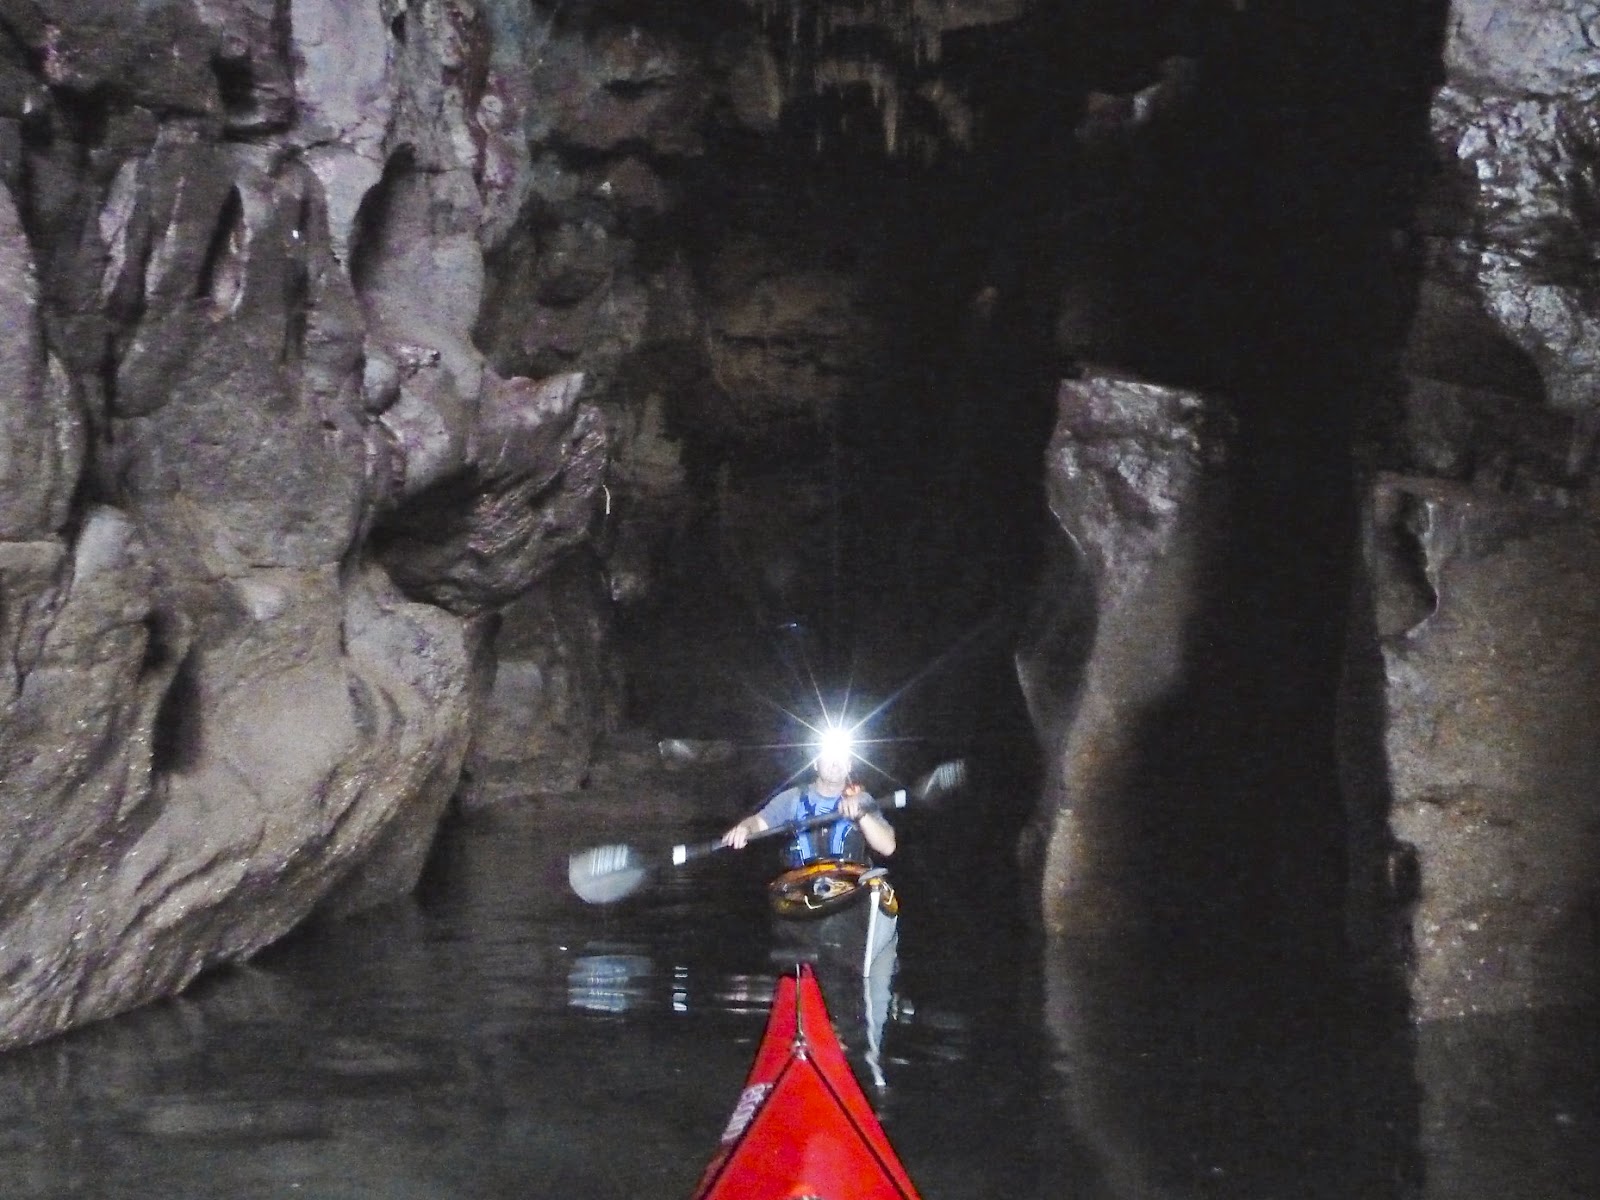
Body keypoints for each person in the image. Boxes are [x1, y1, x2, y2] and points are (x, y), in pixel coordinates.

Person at [721, 742, 896, 867]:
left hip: (851, 888)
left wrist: (862, 816)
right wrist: (744, 829)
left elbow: (888, 847)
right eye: (828, 757)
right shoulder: (792, 798)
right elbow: (757, 823)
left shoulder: (863, 800)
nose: (835, 763)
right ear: (815, 764)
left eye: (841, 758)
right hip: (802, 893)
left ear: (849, 766)